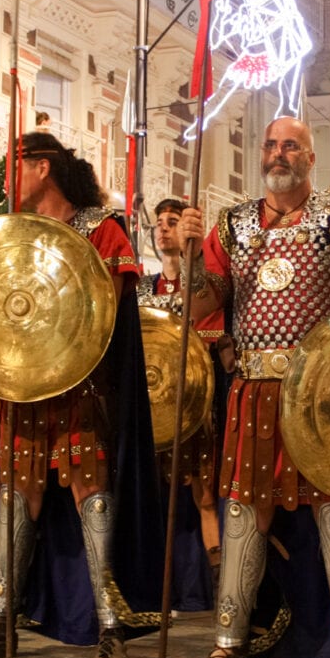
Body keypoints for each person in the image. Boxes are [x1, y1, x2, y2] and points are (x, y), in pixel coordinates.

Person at [0, 132, 164, 658]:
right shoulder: (9, 234)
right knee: (17, 499)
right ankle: (0, 621)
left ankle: (110, 629)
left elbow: (104, 310)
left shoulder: (101, 228)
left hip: (80, 390)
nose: (6, 179)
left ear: (42, 168)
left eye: (14, 166)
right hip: (22, 396)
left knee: (91, 499)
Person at [176, 115, 330, 658]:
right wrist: (190, 257)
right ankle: (229, 643)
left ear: (310, 157)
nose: (278, 154)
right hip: (252, 392)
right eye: (270, 146)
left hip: (321, 395)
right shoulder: (233, 224)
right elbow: (201, 305)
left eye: (290, 146)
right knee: (242, 514)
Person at [138, 198, 228, 597]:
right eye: (159, 222)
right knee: (155, 494)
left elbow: (212, 337)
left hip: (195, 403)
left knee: (204, 493)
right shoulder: (144, 288)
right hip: (155, 406)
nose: (163, 228)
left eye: (172, 221)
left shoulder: (204, 289)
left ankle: (218, 576)